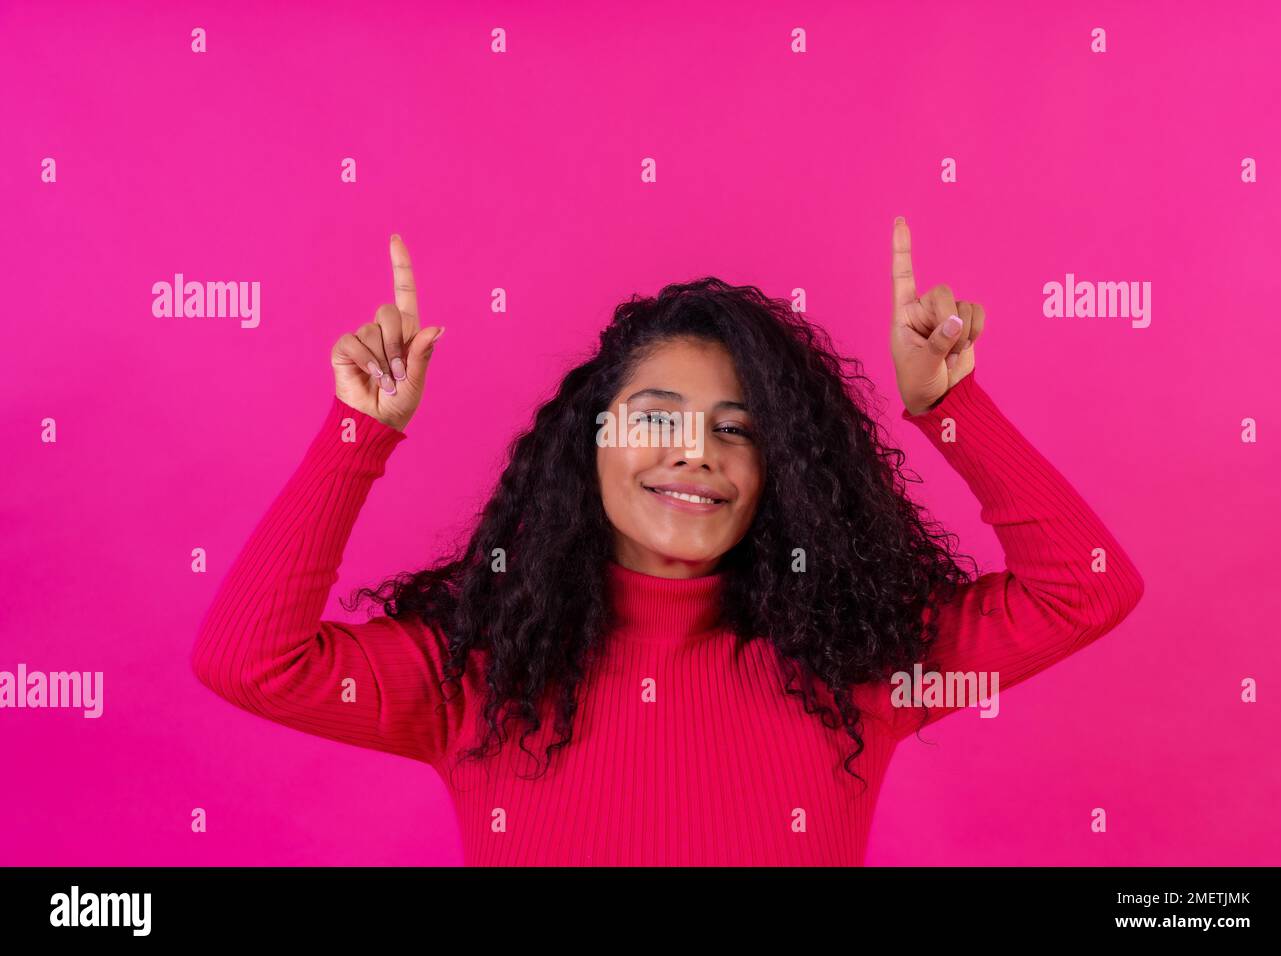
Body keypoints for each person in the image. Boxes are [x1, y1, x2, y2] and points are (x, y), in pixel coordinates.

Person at [191, 219, 1144, 866]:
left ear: (782, 471)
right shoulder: (479, 671)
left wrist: (948, 404)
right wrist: (362, 430)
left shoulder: (856, 662)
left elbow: (1086, 589)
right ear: (590, 440)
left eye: (738, 429)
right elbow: (249, 662)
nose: (694, 451)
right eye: (655, 418)